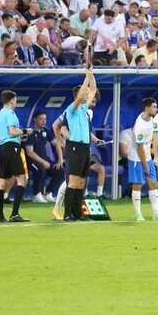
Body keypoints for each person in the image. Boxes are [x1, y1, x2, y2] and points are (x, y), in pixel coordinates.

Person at [54, 63, 100, 221]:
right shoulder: (71, 109)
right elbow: (82, 95)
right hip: (74, 147)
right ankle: (67, 214)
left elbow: (93, 90)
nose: (88, 95)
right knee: (72, 181)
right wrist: (86, 78)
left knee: (81, 181)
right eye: (84, 93)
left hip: (85, 147)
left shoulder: (84, 109)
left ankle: (77, 213)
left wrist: (91, 75)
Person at [0, 89, 31, 222]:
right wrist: (26, 131)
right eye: (15, 100)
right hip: (12, 147)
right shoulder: (10, 113)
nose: (16, 103)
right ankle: (15, 214)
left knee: (3, 181)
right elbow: (12, 131)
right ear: (11, 101)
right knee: (22, 179)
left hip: (2, 147)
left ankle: (0, 216)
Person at [129, 97, 158, 221]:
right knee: (138, 184)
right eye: (154, 107)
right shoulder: (139, 126)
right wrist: (145, 165)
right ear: (147, 108)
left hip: (147, 156)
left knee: (153, 183)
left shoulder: (151, 120)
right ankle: (138, 213)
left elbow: (154, 138)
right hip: (136, 158)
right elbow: (139, 148)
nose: (157, 109)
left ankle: (156, 213)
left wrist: (155, 156)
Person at [24, 111, 62, 203]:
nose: (43, 121)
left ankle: (48, 193)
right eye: (41, 119)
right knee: (40, 169)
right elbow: (30, 153)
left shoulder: (46, 131)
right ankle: (36, 194)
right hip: (30, 161)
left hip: (43, 158)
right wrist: (43, 162)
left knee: (60, 171)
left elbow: (56, 144)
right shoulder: (30, 132)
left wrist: (60, 160)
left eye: (45, 119)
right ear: (35, 120)